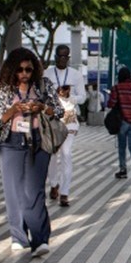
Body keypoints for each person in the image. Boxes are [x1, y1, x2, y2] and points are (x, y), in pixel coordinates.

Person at [0, 48, 61, 257]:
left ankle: (40, 239)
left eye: (29, 69)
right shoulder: (5, 89)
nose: (24, 74)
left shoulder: (43, 85)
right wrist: (14, 110)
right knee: (14, 192)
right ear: (13, 69)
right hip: (11, 142)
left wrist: (41, 107)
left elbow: (59, 111)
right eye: (20, 69)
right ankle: (18, 236)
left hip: (38, 141)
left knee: (34, 191)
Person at [45, 45, 87, 205]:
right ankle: (54, 184)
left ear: (68, 58)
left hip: (69, 118)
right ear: (55, 57)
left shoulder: (76, 75)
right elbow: (42, 95)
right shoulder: (47, 74)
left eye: (65, 56)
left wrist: (70, 96)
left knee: (66, 153)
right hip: (52, 119)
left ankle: (65, 192)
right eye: (59, 56)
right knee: (52, 155)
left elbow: (83, 97)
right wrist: (54, 94)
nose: (62, 59)